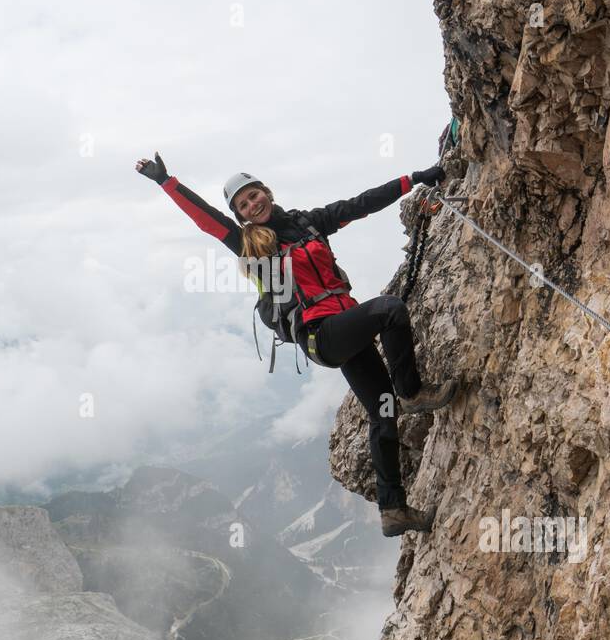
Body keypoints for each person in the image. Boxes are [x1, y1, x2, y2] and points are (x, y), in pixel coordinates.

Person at [135, 152, 457, 537]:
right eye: (243, 204)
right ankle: (413, 392)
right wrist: (166, 182)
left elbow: (360, 204)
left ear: (266, 192)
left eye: (255, 195)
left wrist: (413, 178)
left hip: (344, 327)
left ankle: (394, 511)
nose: (253, 204)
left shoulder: (308, 223)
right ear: (240, 215)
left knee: (382, 413)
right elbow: (207, 221)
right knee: (390, 310)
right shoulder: (250, 245)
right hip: (321, 335)